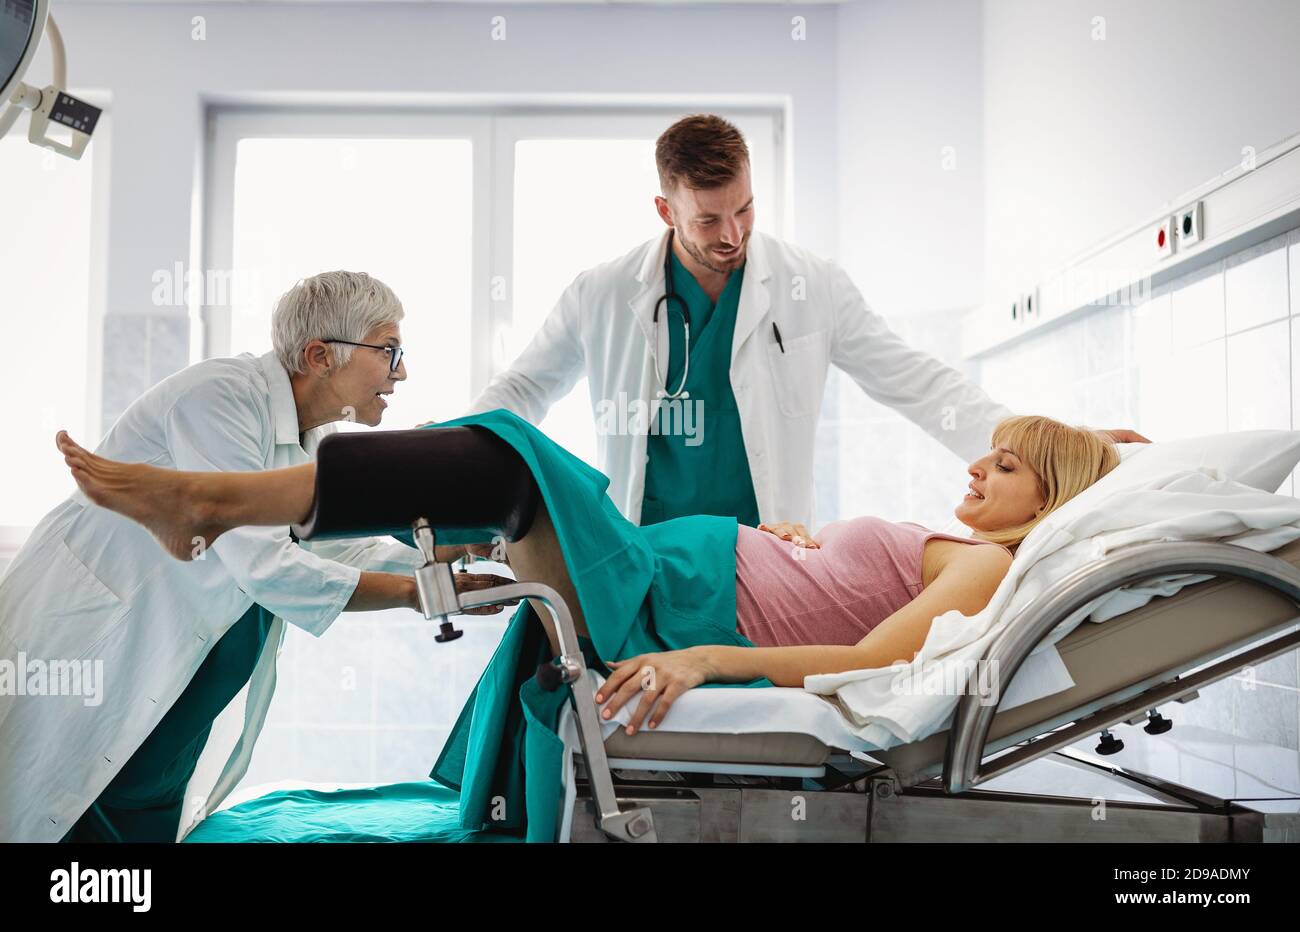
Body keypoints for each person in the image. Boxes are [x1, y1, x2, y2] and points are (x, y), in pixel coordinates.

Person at [53, 411, 1117, 738]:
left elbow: (874, 655)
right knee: (486, 485)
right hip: (676, 568)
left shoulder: (983, 562)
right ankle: (214, 508)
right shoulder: (958, 539)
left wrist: (706, 655)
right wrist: (797, 538)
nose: (975, 466)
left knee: (505, 464)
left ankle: (204, 503)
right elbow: (853, 592)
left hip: (673, 599)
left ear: (1051, 498)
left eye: (1009, 464)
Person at [0, 270, 506, 843]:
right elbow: (264, 564)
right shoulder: (219, 397)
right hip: (97, 653)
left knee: (138, 820)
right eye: (389, 351)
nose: (403, 370)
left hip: (179, 679)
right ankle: (192, 504)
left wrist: (445, 564)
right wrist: (421, 593)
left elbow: (336, 545)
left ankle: (197, 505)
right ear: (320, 355)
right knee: (71, 822)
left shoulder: (313, 439)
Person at [469, 113, 1147, 529]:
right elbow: (524, 389)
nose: (732, 233)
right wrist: (445, 461)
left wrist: (1047, 446)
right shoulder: (602, 291)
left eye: (745, 208)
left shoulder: (809, 285)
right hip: (644, 545)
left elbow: (917, 383)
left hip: (767, 550)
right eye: (708, 219)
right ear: (664, 210)